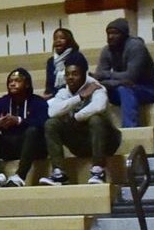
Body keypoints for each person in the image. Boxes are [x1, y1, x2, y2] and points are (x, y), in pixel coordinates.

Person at [42, 53, 121, 186]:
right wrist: (79, 97)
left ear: (85, 74)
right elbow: (52, 111)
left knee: (95, 119)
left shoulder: (96, 87)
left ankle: (98, 171)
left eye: (75, 74)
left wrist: (76, 118)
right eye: (67, 74)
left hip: (108, 142)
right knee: (51, 124)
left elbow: (99, 106)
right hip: (81, 143)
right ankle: (59, 173)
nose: (70, 78)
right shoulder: (64, 91)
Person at [0, 67, 47, 188]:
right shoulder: (1, 102)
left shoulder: (38, 101)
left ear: (27, 84)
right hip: (9, 146)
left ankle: (20, 176)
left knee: (33, 130)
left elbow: (43, 123)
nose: (12, 84)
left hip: (33, 147)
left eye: (17, 80)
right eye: (10, 81)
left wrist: (19, 120)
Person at [94, 17, 154, 128]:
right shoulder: (106, 50)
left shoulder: (136, 46)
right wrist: (117, 82)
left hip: (151, 89)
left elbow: (130, 77)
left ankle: (131, 128)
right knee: (96, 89)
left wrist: (107, 75)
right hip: (124, 88)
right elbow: (98, 79)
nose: (110, 37)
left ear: (124, 34)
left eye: (115, 33)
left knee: (125, 89)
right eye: (108, 33)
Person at [44, 27, 80, 97]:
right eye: (55, 38)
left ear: (69, 41)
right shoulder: (51, 61)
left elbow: (76, 83)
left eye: (62, 38)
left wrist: (52, 94)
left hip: (74, 95)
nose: (58, 40)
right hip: (54, 97)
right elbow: (49, 85)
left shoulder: (77, 57)